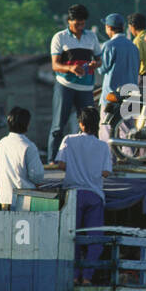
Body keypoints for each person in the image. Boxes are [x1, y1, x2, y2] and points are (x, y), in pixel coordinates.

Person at [50, 106, 112, 282]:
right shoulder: (103, 146)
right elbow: (106, 172)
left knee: (71, 238)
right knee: (94, 240)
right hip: (94, 195)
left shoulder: (68, 140)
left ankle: (74, 277)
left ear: (81, 124)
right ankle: (87, 277)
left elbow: (61, 165)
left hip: (73, 195)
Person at [48, 4, 102, 163]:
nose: (80, 27)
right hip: (65, 85)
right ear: (69, 21)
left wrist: (95, 64)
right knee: (58, 126)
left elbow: (99, 59)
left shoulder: (91, 37)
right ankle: (52, 160)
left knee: (90, 125)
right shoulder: (60, 37)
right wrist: (70, 68)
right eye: (77, 24)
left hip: (86, 88)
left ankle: (91, 160)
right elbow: (55, 65)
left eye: (82, 24)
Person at [0, 106, 46, 210]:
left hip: (5, 199)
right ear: (27, 124)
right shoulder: (28, 146)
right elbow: (37, 176)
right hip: (24, 200)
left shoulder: (1, 144)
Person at [97, 12, 140, 101]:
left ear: (108, 27)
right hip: (131, 95)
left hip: (112, 96)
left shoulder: (109, 45)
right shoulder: (133, 46)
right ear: (123, 27)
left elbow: (101, 69)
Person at [128, 12, 146, 82]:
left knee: (144, 93)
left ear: (132, 26)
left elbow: (136, 62)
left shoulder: (138, 40)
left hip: (145, 78)